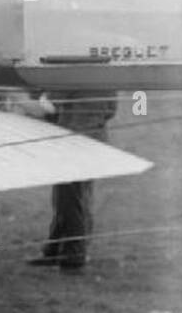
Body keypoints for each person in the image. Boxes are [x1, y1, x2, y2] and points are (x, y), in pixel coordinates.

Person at [26, 90, 118, 273]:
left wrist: (27, 98)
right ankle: (54, 251)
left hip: (72, 145)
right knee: (77, 197)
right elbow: (111, 111)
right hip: (96, 142)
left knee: (68, 201)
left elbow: (47, 106)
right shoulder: (108, 79)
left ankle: (74, 257)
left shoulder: (68, 76)